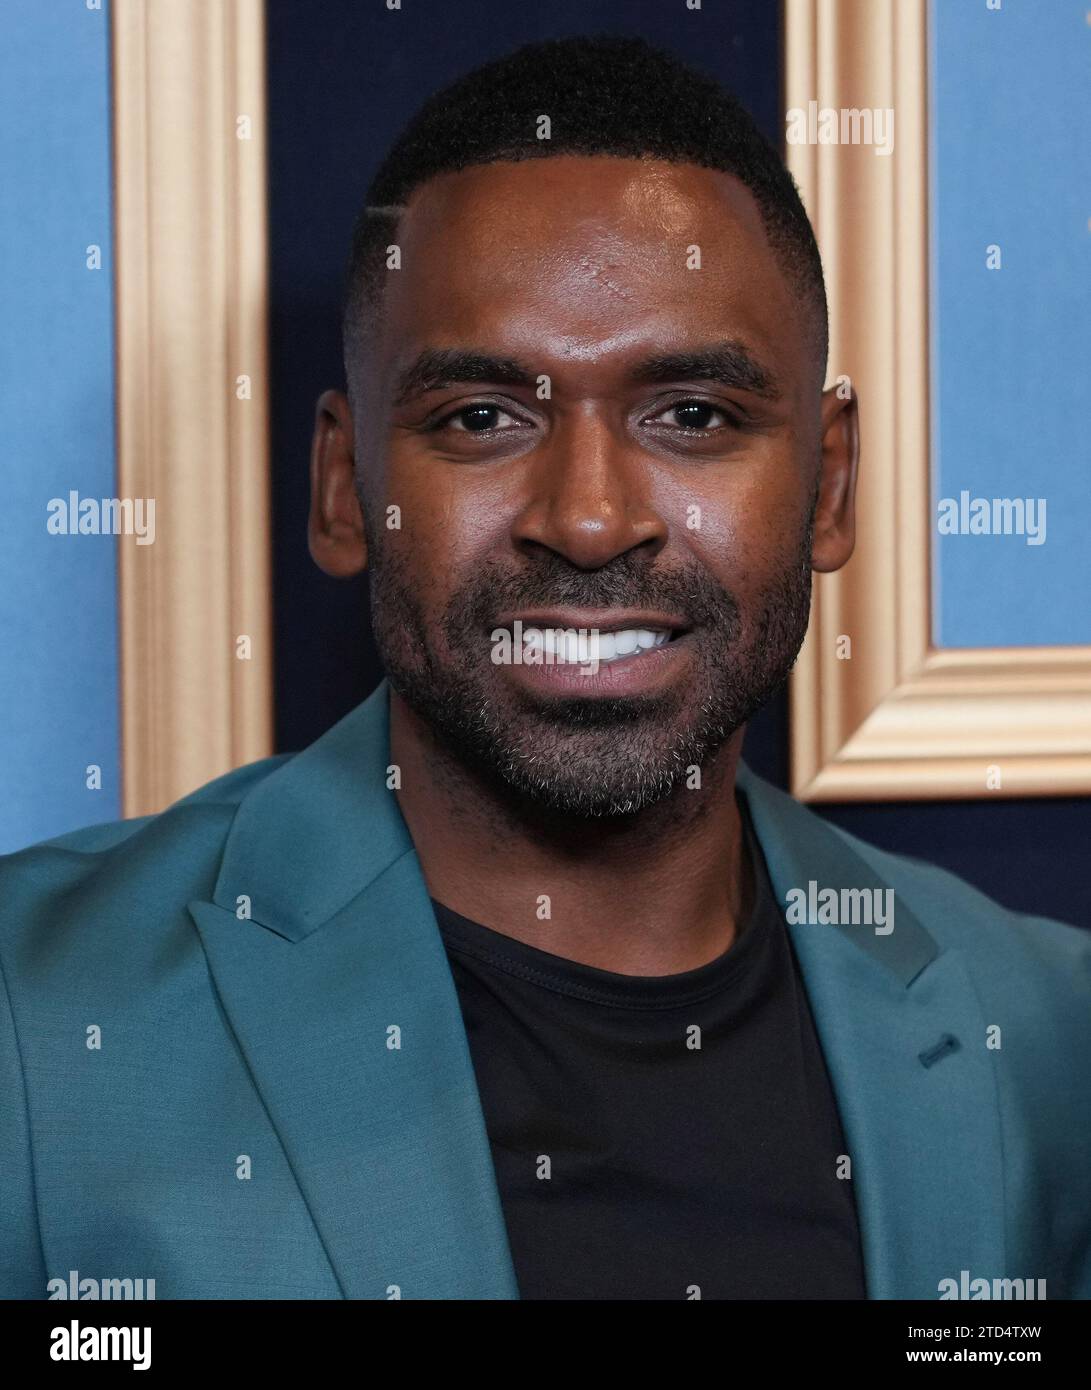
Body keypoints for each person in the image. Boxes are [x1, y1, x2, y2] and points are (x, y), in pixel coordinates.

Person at [2, 35, 1088, 1302]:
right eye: (481, 418)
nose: (585, 518)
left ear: (829, 487)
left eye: (691, 414)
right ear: (343, 489)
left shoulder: (1045, 1037)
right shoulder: (35, 1017)